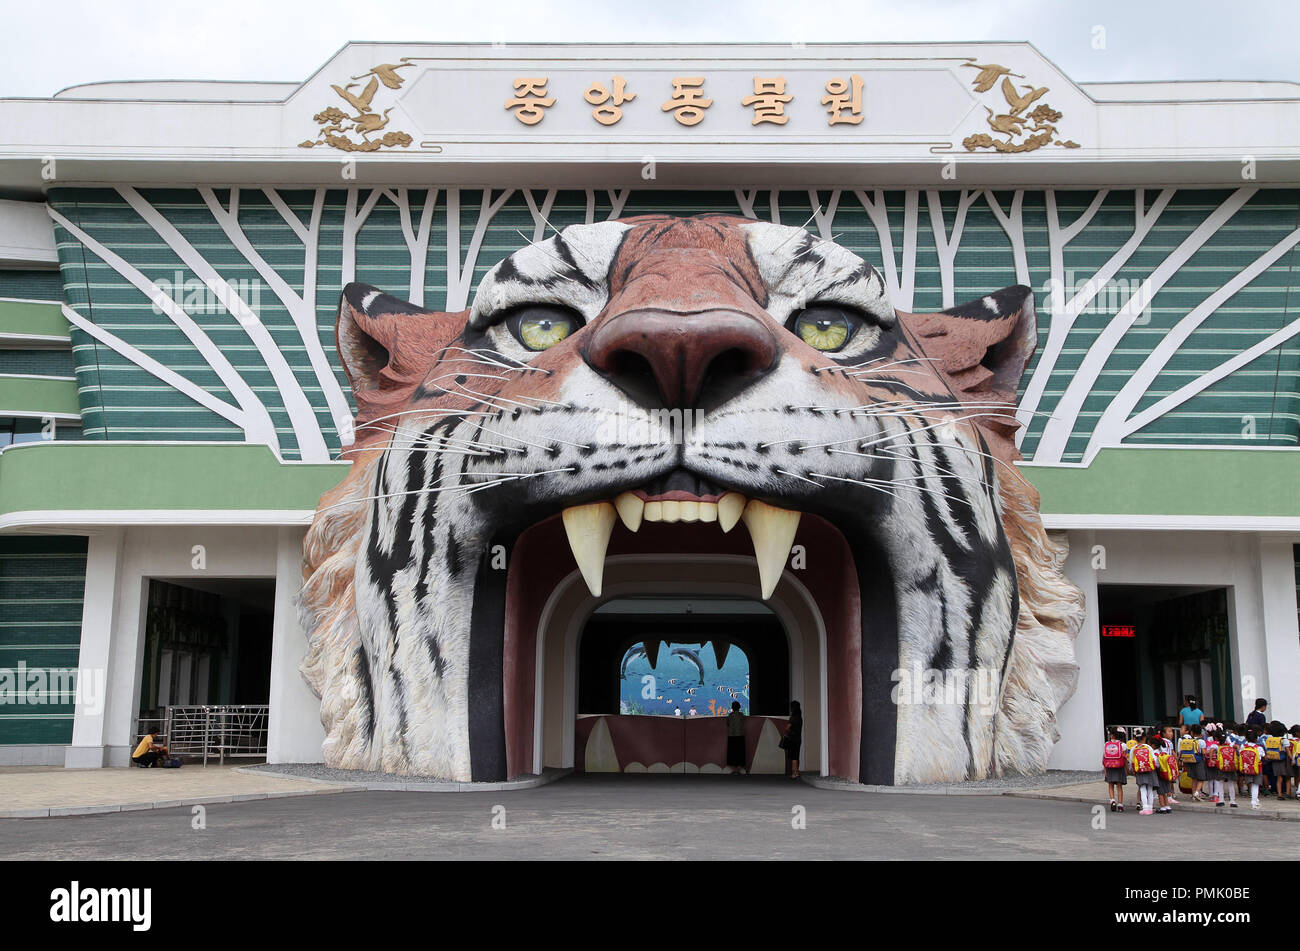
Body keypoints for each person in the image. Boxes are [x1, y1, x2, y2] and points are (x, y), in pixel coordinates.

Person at [1129, 730, 1161, 816]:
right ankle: (1150, 807)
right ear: (1145, 738)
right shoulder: (1148, 747)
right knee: (1150, 788)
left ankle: (1145, 808)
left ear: (1135, 738)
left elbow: (1131, 761)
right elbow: (1154, 759)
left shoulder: (1133, 749)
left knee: (1142, 788)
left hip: (1139, 771)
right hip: (1150, 770)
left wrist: (1132, 770)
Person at [1103, 728, 1128, 812]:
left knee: (1110, 785)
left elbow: (1104, 757)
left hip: (1109, 766)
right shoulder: (1123, 745)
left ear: (1111, 735)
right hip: (1119, 766)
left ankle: (1112, 800)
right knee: (1119, 786)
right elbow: (1125, 758)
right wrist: (1126, 769)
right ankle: (1120, 805)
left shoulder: (1106, 744)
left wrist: (1105, 769)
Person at [783, 700, 803, 779]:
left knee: (793, 757)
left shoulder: (793, 717)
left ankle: (795, 774)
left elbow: (787, 728)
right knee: (797, 756)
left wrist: (788, 732)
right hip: (798, 739)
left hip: (792, 739)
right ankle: (797, 772)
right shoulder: (799, 717)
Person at [725, 701, 746, 775]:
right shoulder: (741, 715)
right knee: (740, 753)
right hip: (740, 736)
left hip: (731, 736)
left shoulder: (730, 715)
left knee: (732, 753)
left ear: (732, 708)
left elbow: (727, 723)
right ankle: (739, 770)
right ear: (739, 707)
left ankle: (734, 770)